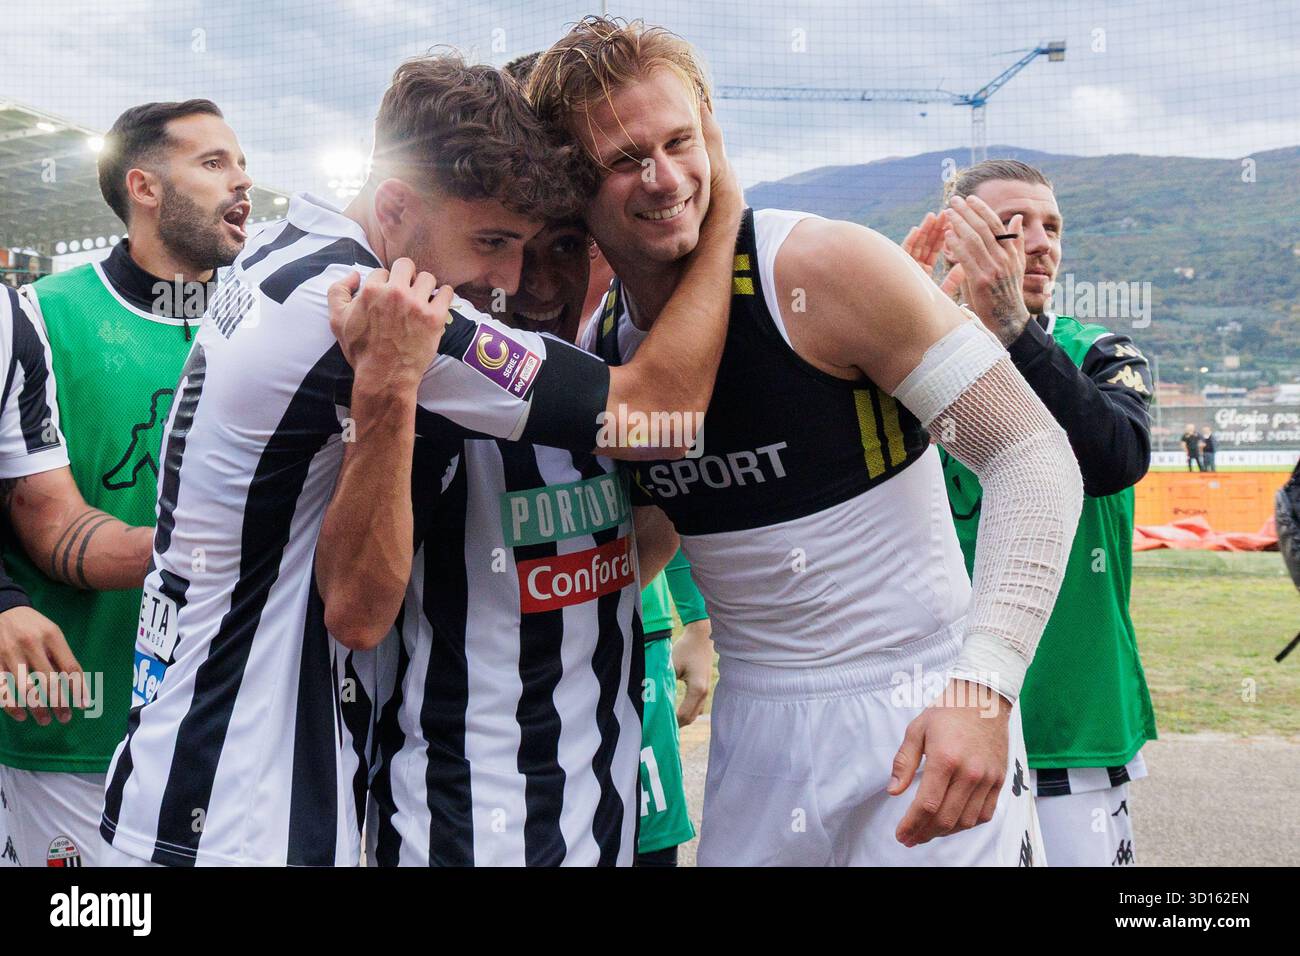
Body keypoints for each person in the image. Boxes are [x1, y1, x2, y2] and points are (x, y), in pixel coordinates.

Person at [101, 54, 736, 866]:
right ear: (396, 206)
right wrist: (719, 209)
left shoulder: (284, 255)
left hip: (182, 765)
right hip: (241, 809)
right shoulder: (376, 308)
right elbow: (656, 414)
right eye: (493, 241)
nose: (506, 279)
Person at [530, 17, 1084, 866]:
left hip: (918, 699)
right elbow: (680, 511)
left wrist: (985, 685)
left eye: (682, 141)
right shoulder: (609, 348)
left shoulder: (818, 268)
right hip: (760, 737)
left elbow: (1032, 454)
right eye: (623, 159)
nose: (665, 179)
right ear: (573, 181)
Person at [348, 52, 734, 867]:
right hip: (458, 828)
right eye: (505, 242)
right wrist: (723, 201)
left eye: (565, 245)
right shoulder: (443, 370)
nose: (531, 280)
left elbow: (628, 551)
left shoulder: (602, 364)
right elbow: (355, 606)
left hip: (609, 813)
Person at [0, 99, 246, 868]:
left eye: (241, 164)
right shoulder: (40, 317)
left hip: (232, 731)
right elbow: (51, 523)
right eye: (212, 164)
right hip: (73, 730)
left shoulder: (268, 322)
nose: (241, 182)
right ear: (143, 186)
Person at [905, 158, 1158, 866]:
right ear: (957, 236)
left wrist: (1015, 328)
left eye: (1054, 226)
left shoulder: (1101, 351)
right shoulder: (900, 361)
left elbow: (1116, 456)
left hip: (1070, 718)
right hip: (942, 715)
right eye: (1015, 226)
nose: (1042, 242)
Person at [635, 547, 713, 867]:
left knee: (646, 835)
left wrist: (698, 623)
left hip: (639, 630)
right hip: (494, 639)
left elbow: (660, 501)